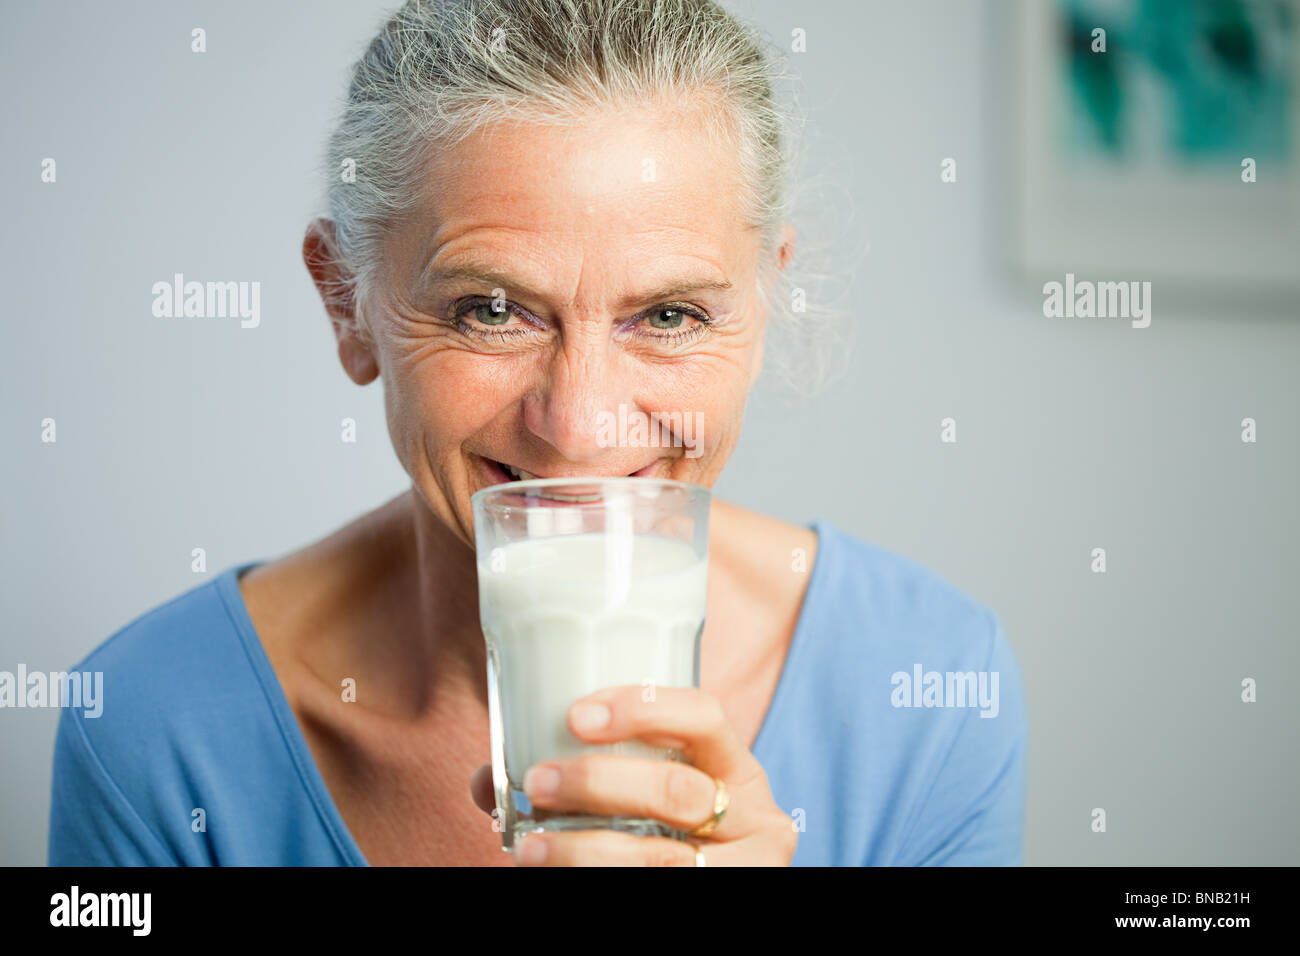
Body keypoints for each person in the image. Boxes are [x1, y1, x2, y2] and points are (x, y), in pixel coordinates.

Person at [49, 0, 1026, 866]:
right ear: (347, 305)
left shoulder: (928, 690)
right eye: (490, 310)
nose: (581, 424)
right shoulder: (153, 724)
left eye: (671, 315)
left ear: (761, 305)